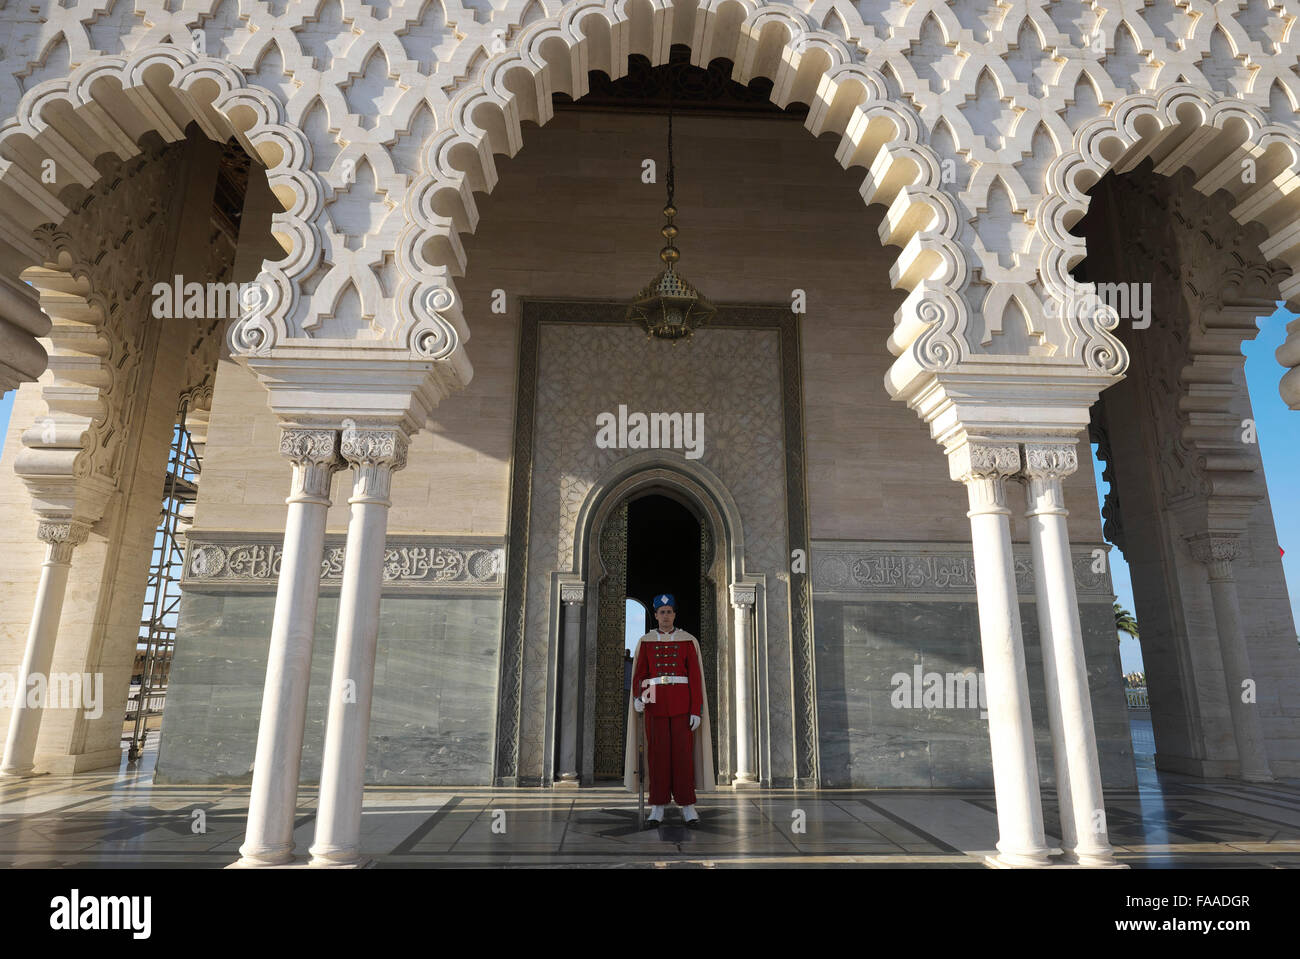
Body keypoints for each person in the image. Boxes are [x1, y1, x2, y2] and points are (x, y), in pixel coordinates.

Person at [623, 593, 713, 826]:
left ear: (674, 614)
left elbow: (694, 678)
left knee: (683, 758)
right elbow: (642, 675)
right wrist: (640, 698)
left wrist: (696, 710)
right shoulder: (646, 641)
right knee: (658, 758)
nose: (666, 616)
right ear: (655, 615)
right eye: (662, 612)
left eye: (669, 612)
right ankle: (658, 807)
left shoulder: (687, 640)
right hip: (655, 707)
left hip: (682, 707)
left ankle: (688, 806)